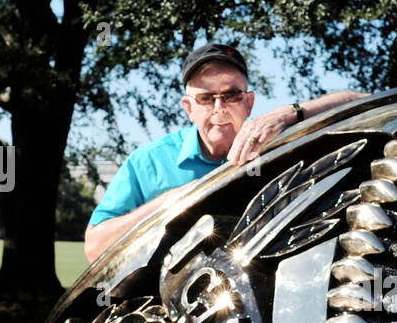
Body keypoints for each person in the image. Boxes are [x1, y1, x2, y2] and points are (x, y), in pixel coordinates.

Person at [84, 43, 367, 262]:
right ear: (188, 108)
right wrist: (168, 204)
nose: (219, 108)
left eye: (231, 95)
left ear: (249, 102)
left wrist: (291, 112)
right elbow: (94, 248)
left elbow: (364, 102)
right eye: (206, 98)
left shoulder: (276, 144)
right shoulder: (149, 162)